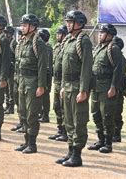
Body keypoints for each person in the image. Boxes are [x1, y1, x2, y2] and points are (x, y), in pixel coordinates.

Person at [56, 10, 92, 167]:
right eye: (67, 22)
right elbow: (64, 66)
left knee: (79, 121)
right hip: (68, 86)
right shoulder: (69, 40)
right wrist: (63, 86)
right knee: (68, 121)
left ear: (79, 24)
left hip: (78, 86)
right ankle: (70, 151)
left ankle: (77, 155)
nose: (67, 24)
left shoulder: (83, 40)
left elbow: (86, 67)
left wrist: (83, 90)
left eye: (70, 22)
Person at [14, 14, 48, 154]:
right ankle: (26, 141)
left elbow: (42, 66)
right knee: (22, 111)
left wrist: (41, 85)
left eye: (25, 25)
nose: (22, 27)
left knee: (32, 113)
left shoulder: (38, 43)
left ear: (32, 27)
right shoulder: (23, 41)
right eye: (22, 25)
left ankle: (32, 144)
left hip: (33, 82)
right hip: (22, 80)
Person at [88, 23, 123, 154]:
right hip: (96, 86)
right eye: (99, 33)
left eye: (102, 33)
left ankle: (108, 143)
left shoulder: (113, 49)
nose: (99, 35)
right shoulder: (99, 48)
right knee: (96, 114)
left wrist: (113, 86)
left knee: (106, 115)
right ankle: (100, 140)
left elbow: (118, 70)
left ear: (109, 35)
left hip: (106, 86)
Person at [49, 25, 68, 142]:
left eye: (60, 34)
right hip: (56, 81)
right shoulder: (56, 47)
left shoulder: (67, 46)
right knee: (56, 107)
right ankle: (60, 129)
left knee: (63, 108)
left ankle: (65, 132)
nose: (57, 36)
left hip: (63, 81)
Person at [113, 36, 126, 142]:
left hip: (118, 89)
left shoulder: (121, 59)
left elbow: (119, 76)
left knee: (116, 112)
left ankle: (117, 133)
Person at [38, 28, 53, 123]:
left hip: (46, 73)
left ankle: (45, 115)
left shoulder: (46, 47)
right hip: (44, 72)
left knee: (45, 95)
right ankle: (42, 113)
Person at [4, 26, 16, 115]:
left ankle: (11, 107)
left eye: (6, 33)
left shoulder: (14, 43)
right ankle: (7, 105)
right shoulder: (6, 42)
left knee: (11, 89)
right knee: (6, 88)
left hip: (12, 70)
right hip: (6, 69)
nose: (5, 34)